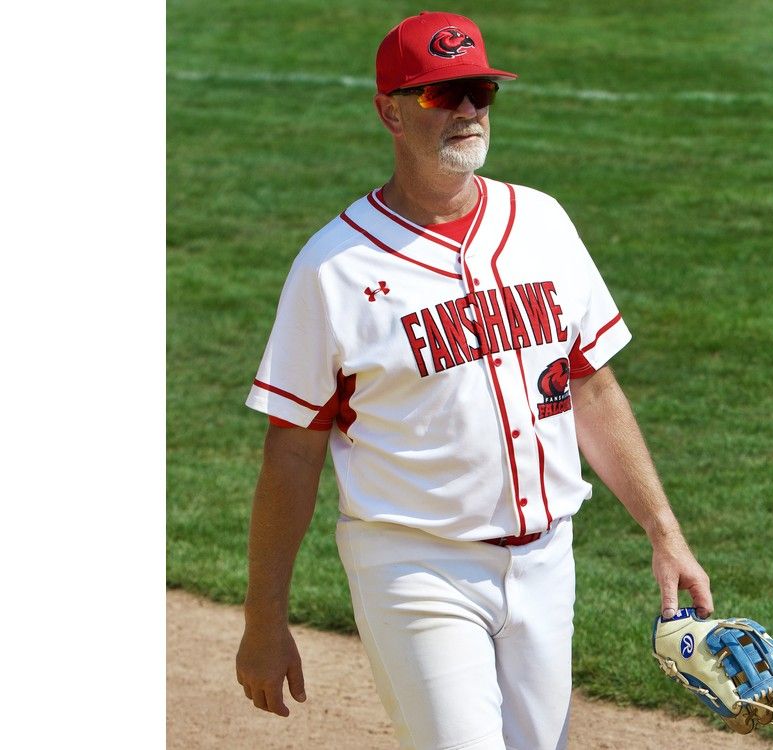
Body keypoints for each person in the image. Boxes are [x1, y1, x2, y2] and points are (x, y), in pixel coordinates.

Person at [236, 10, 713, 750]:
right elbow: (292, 451)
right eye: (440, 93)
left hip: (547, 560)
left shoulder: (542, 222)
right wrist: (264, 619)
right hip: (415, 567)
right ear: (389, 112)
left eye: (479, 90)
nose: (467, 109)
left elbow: (591, 387)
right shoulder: (333, 268)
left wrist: (665, 533)